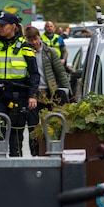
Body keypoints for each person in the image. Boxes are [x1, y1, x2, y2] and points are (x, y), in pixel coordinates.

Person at [0, 12, 40, 158]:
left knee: (15, 139)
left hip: (18, 96)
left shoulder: (25, 47)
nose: (0, 28)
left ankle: (16, 171)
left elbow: (34, 74)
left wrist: (32, 96)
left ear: (13, 27)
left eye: (3, 25)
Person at [25, 26, 70, 156]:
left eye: (35, 38)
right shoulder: (26, 53)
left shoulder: (49, 52)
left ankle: (51, 151)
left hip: (49, 93)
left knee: (51, 123)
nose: (33, 42)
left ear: (39, 36)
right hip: (33, 93)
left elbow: (60, 73)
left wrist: (67, 91)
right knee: (33, 126)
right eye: (30, 40)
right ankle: (35, 153)